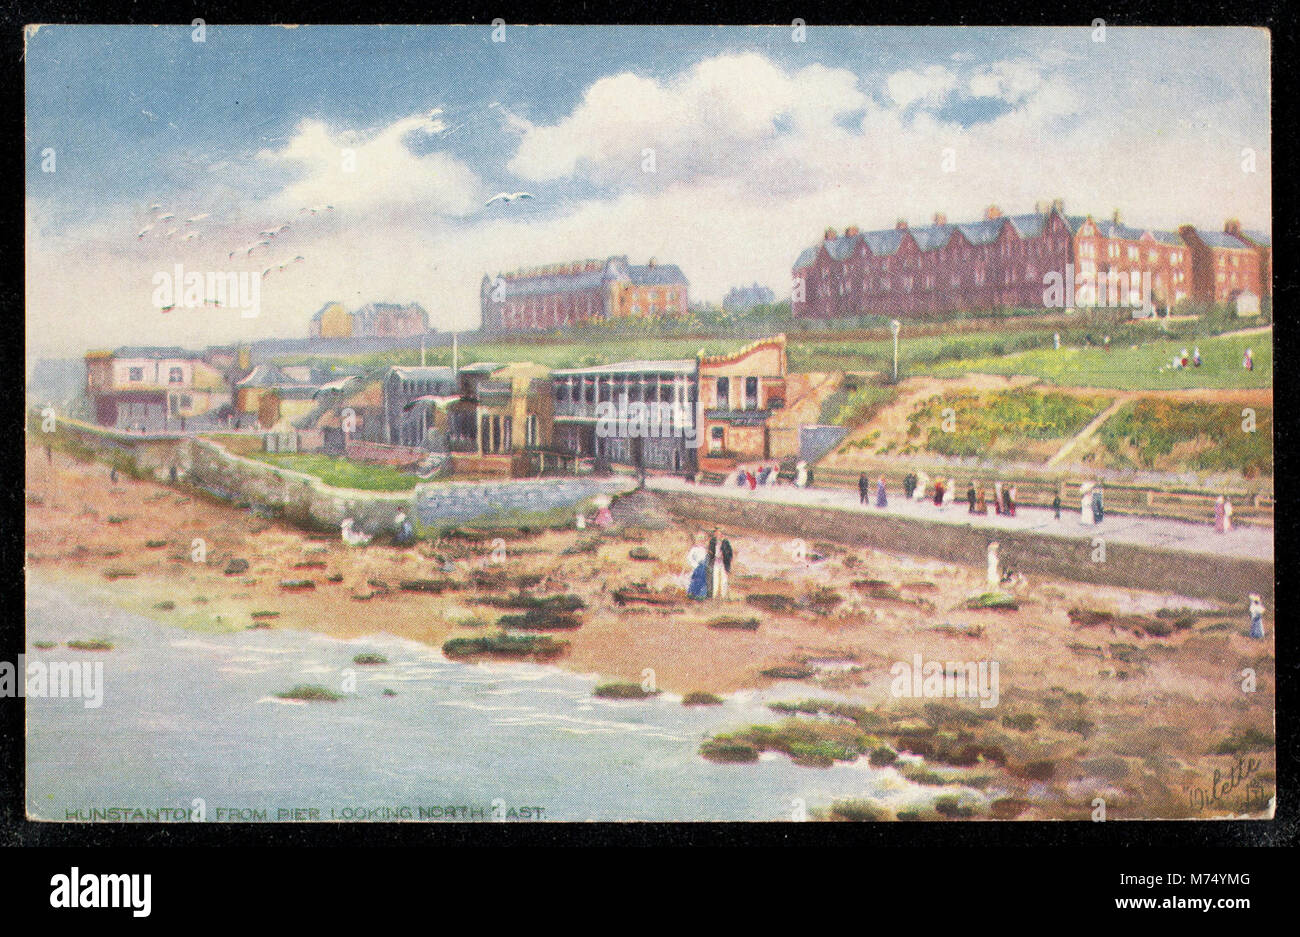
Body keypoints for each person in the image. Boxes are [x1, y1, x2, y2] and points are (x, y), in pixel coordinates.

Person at [685, 534, 710, 600]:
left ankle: (701, 595)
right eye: (700, 539)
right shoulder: (694, 549)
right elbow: (689, 558)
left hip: (704, 567)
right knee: (696, 580)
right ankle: (692, 593)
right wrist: (695, 565)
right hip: (697, 567)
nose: (702, 541)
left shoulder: (706, 549)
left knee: (704, 581)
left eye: (703, 539)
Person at [710, 530, 733, 601]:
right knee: (715, 579)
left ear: (722, 535)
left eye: (719, 534)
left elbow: (730, 553)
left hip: (724, 563)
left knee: (724, 579)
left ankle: (723, 596)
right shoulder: (713, 543)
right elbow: (710, 552)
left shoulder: (726, 543)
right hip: (716, 563)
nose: (718, 536)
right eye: (716, 534)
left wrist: (725, 556)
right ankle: (714, 595)